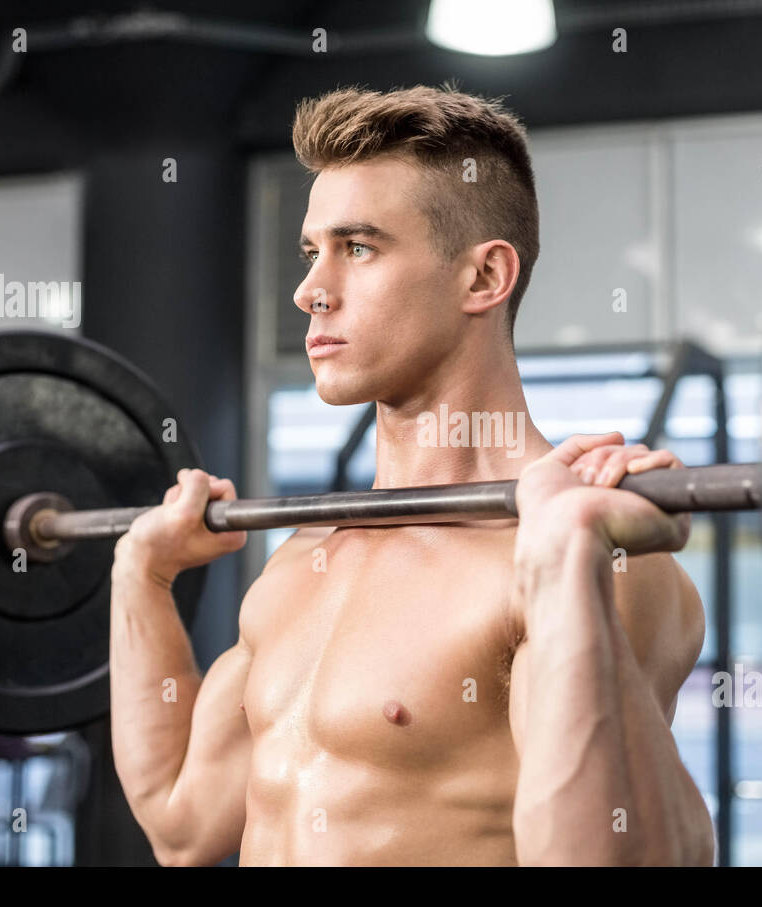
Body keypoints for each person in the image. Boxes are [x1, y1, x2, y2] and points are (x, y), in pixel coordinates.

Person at [109, 83, 713, 865]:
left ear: (483, 279)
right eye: (311, 251)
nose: (309, 291)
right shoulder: (305, 560)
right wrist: (142, 576)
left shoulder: (588, 552)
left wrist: (566, 564)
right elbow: (181, 827)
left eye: (358, 247)